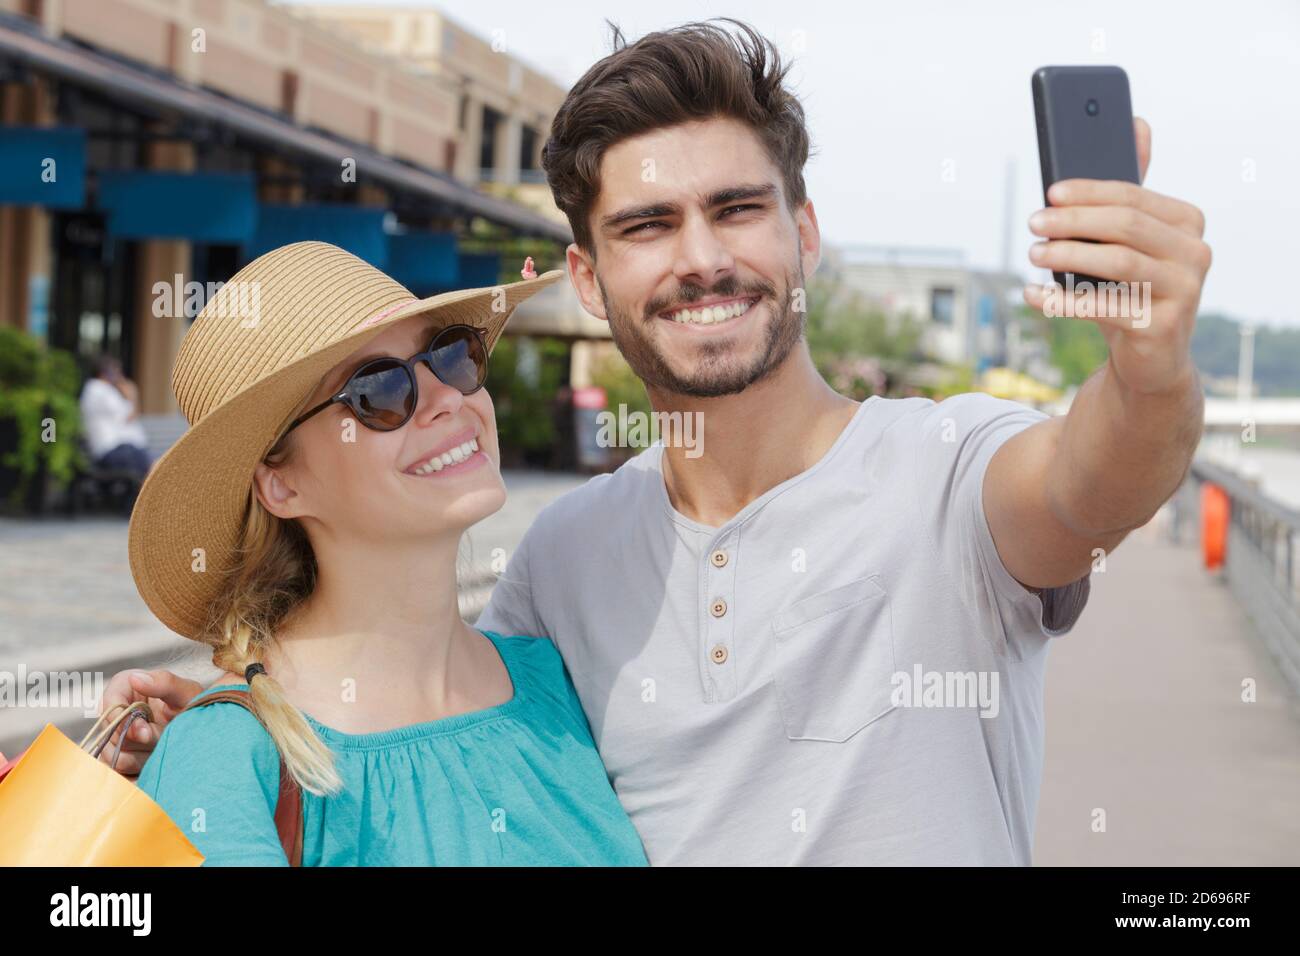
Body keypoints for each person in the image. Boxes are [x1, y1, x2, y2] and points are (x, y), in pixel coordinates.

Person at [102, 19, 1210, 865]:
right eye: (645, 225)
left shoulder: (952, 470)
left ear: (802, 233)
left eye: (736, 208)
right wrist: (212, 742)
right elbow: (381, 693)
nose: (701, 258)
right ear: (586, 276)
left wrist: (1148, 366)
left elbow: (1089, 482)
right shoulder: (563, 563)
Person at [115, 241, 647, 866]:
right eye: (378, 391)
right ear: (281, 484)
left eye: (451, 355)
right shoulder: (225, 758)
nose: (448, 398)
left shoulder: (559, 681)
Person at [79, 355, 152, 479]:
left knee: (154, 469)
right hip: (112, 449)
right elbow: (128, 416)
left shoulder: (101, 390)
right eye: (116, 371)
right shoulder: (98, 389)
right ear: (105, 372)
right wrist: (132, 394)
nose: (119, 376)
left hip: (121, 448)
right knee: (153, 471)